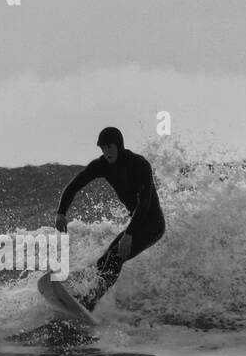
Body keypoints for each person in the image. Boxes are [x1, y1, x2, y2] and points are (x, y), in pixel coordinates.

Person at [55, 127, 164, 310]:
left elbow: (144, 203)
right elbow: (74, 186)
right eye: (103, 148)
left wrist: (129, 234)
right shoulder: (102, 165)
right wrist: (61, 212)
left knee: (114, 257)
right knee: (103, 261)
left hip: (153, 225)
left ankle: (90, 302)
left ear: (119, 145)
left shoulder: (139, 164)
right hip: (136, 225)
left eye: (110, 147)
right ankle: (88, 299)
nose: (107, 152)